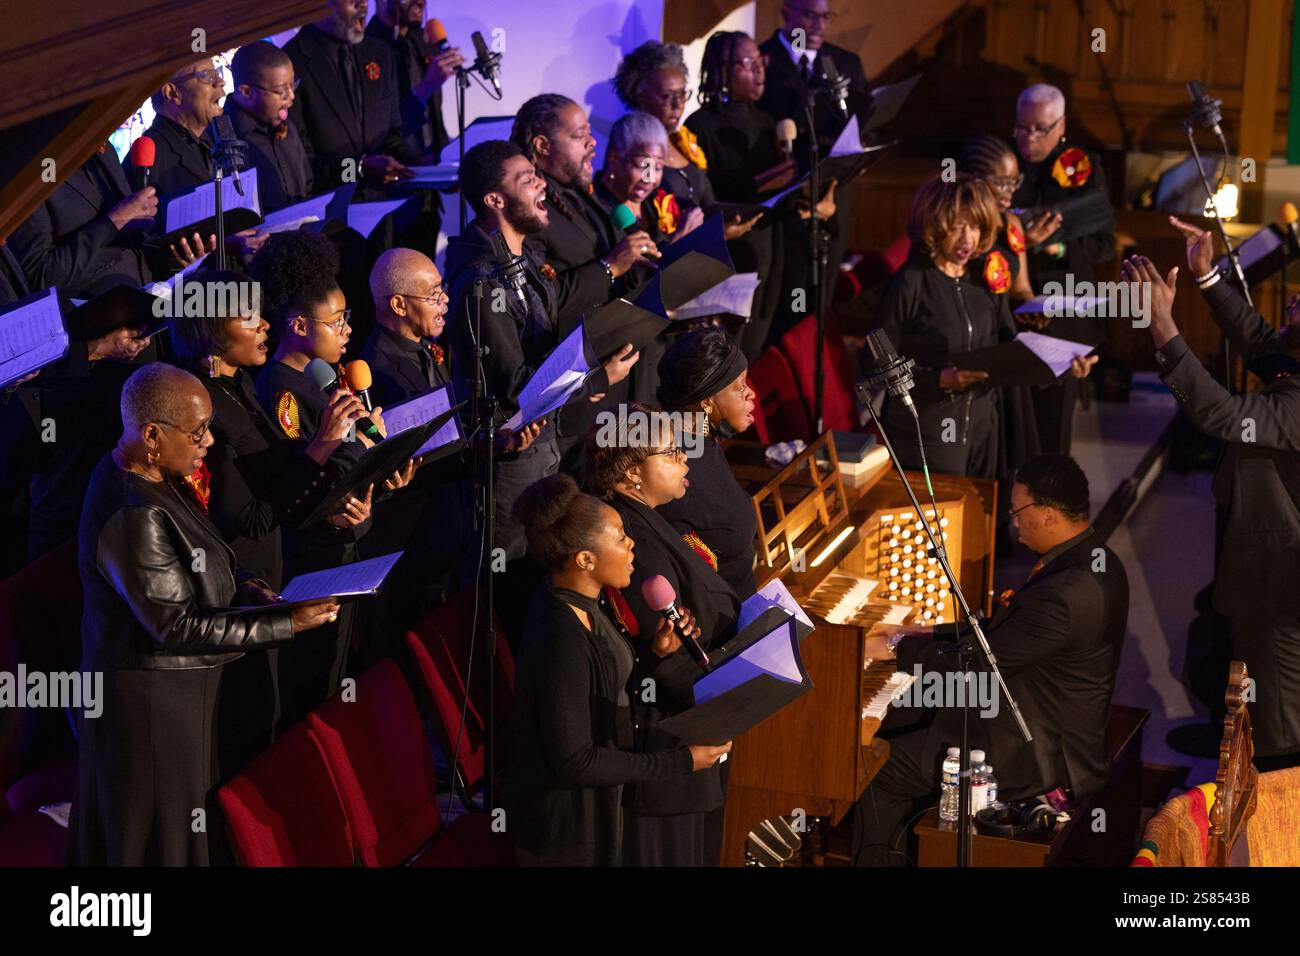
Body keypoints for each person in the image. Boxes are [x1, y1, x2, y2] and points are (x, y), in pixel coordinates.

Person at [69, 362, 338, 865]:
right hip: (148, 710)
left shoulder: (156, 474)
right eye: (197, 431)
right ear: (151, 434)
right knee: (162, 841)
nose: (209, 442)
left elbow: (210, 555)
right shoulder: (133, 513)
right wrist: (287, 622)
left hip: (183, 694)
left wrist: (250, 588)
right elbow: (178, 627)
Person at [852, 454, 1129, 866]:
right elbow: (1004, 631)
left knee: (874, 768)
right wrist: (920, 632)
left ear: (1049, 514)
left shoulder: (1064, 593)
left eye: (1018, 511)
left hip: (1035, 755)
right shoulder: (1094, 559)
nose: (1014, 523)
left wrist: (893, 648)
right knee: (905, 716)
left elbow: (976, 667)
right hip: (1051, 723)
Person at [169, 268, 370, 767]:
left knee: (279, 719)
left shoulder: (241, 385)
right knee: (249, 733)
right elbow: (254, 518)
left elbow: (282, 486)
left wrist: (343, 504)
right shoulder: (203, 406)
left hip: (272, 575)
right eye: (249, 317)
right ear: (210, 329)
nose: (264, 326)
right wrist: (322, 444)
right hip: (236, 594)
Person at [1126, 230, 1300, 769]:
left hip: (1279, 584)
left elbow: (1221, 415)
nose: (1292, 299)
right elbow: (1261, 343)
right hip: (1259, 560)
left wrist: (1163, 326)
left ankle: (1269, 815)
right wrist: (1208, 276)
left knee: (1278, 722)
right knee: (1242, 682)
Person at [507, 472, 730, 865]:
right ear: (585, 559)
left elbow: (607, 686)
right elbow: (575, 759)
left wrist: (656, 654)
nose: (632, 546)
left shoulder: (590, 602)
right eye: (621, 538)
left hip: (598, 812)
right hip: (566, 836)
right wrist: (681, 762)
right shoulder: (560, 635)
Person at [251, 230, 410, 722]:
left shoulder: (321, 377)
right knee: (312, 692)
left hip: (343, 549)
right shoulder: (281, 391)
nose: (347, 329)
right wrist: (360, 450)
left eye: (346, 318)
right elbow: (302, 481)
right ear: (298, 324)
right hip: (310, 561)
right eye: (337, 320)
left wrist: (379, 480)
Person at [586, 405, 740, 866]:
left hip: (686, 724)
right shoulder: (628, 540)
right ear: (633, 471)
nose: (685, 461)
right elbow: (658, 654)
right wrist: (732, 691)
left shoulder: (648, 520)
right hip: (665, 739)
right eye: (673, 453)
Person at [686, 32, 834, 360]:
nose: (760, 70)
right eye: (748, 63)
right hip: (734, 252)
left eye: (760, 61)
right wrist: (758, 187)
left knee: (761, 342)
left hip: (775, 247)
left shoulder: (768, 122)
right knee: (729, 350)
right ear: (723, 71)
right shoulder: (701, 125)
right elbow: (703, 196)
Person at [355, 248, 469, 650]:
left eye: (443, 290)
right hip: (409, 544)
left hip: (446, 531)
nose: (445, 302)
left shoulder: (423, 346)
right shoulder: (374, 370)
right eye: (433, 294)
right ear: (399, 304)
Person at [869, 176, 1012, 479]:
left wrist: (1060, 361)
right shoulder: (910, 282)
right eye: (957, 226)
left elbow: (1009, 344)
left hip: (983, 431)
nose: (967, 239)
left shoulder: (983, 278)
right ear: (933, 224)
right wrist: (939, 380)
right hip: (929, 435)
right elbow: (876, 365)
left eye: (974, 227)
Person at [1010, 83, 1116, 456]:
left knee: (1053, 426)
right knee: (1012, 422)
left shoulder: (1082, 167)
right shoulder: (1004, 164)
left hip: (1063, 305)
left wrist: (1053, 246)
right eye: (1023, 127)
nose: (1030, 137)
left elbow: (1104, 245)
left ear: (1061, 126)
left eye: (1041, 128)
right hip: (1008, 304)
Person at [612, 41, 762, 242]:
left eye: (682, 94)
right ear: (641, 97)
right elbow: (639, 223)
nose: (677, 105)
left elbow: (708, 205)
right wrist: (711, 236)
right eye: (666, 96)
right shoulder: (635, 147)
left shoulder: (685, 142)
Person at [656, 328, 759, 598]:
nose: (751, 395)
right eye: (740, 388)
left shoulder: (701, 437)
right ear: (707, 402)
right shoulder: (678, 469)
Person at [285, 0, 419, 192]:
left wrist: (418, 164)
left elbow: (391, 135)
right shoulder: (290, 65)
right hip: (329, 213)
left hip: (382, 208)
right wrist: (358, 169)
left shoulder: (380, 54)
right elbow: (303, 165)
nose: (363, 4)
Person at [756, 0, 872, 163]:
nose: (820, 25)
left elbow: (864, 122)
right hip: (780, 175)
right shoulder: (758, 64)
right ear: (786, 13)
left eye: (826, 16)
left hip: (834, 179)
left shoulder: (847, 63)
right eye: (809, 15)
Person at [365, 0, 462, 161]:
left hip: (437, 166)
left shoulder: (425, 40)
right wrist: (426, 87)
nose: (420, 2)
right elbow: (381, 129)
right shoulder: (365, 49)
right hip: (394, 169)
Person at [225, 41, 315, 212]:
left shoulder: (288, 128)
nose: (291, 97)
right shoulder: (223, 140)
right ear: (246, 92)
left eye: (292, 85)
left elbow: (307, 186)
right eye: (281, 90)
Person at [125, 58, 228, 198]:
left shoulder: (215, 141)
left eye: (216, 73)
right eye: (207, 75)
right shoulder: (149, 158)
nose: (221, 82)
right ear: (171, 93)